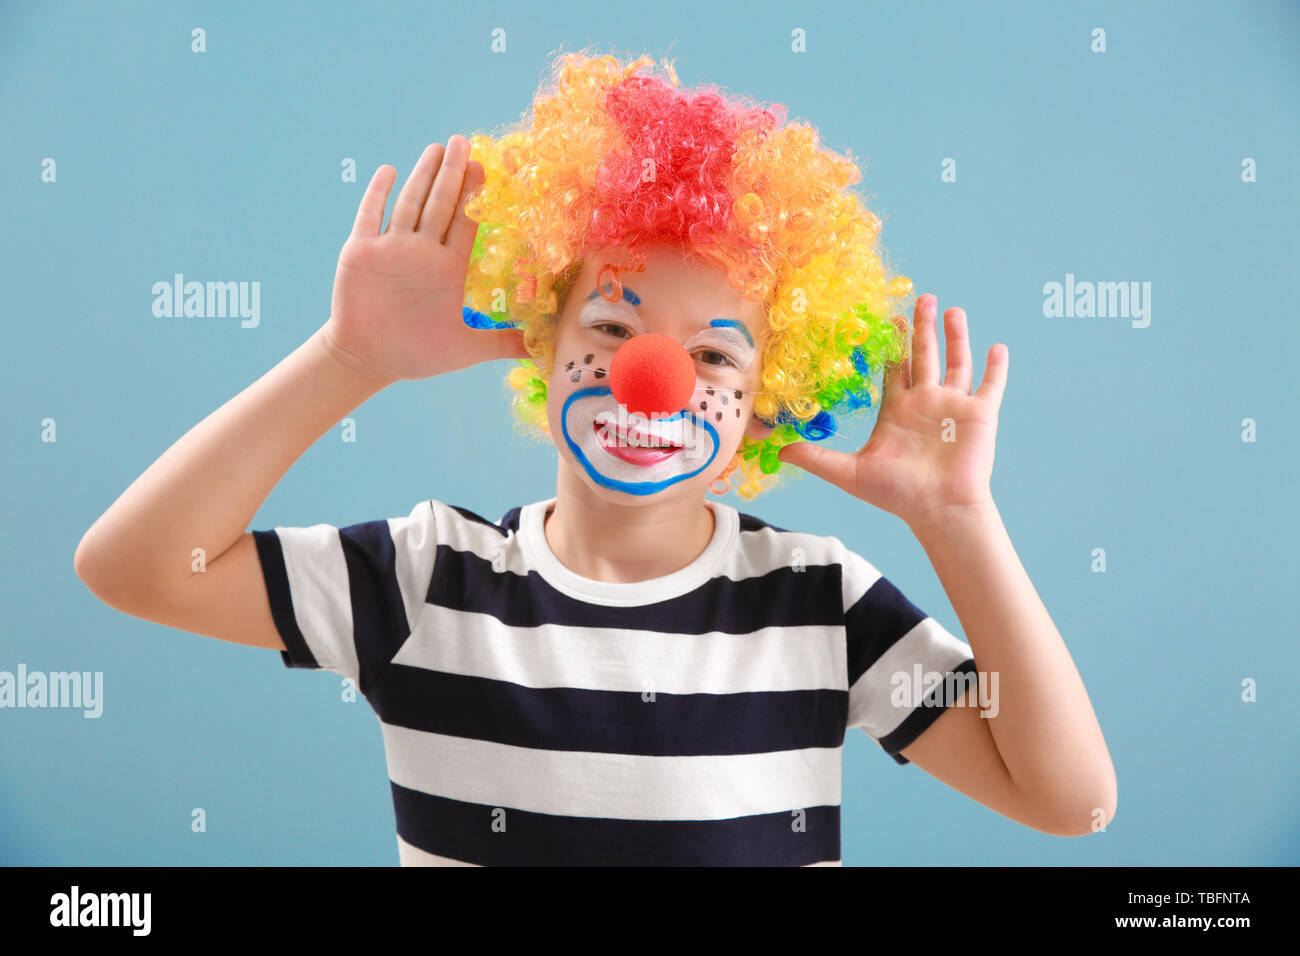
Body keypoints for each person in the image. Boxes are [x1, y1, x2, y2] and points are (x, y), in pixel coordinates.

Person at [74, 49, 1116, 865]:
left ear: (766, 398)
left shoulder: (818, 603)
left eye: (712, 352)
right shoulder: (425, 578)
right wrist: (346, 359)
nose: (651, 376)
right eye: (611, 330)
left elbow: (1072, 799)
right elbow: (135, 566)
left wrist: (956, 522)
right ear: (541, 335)